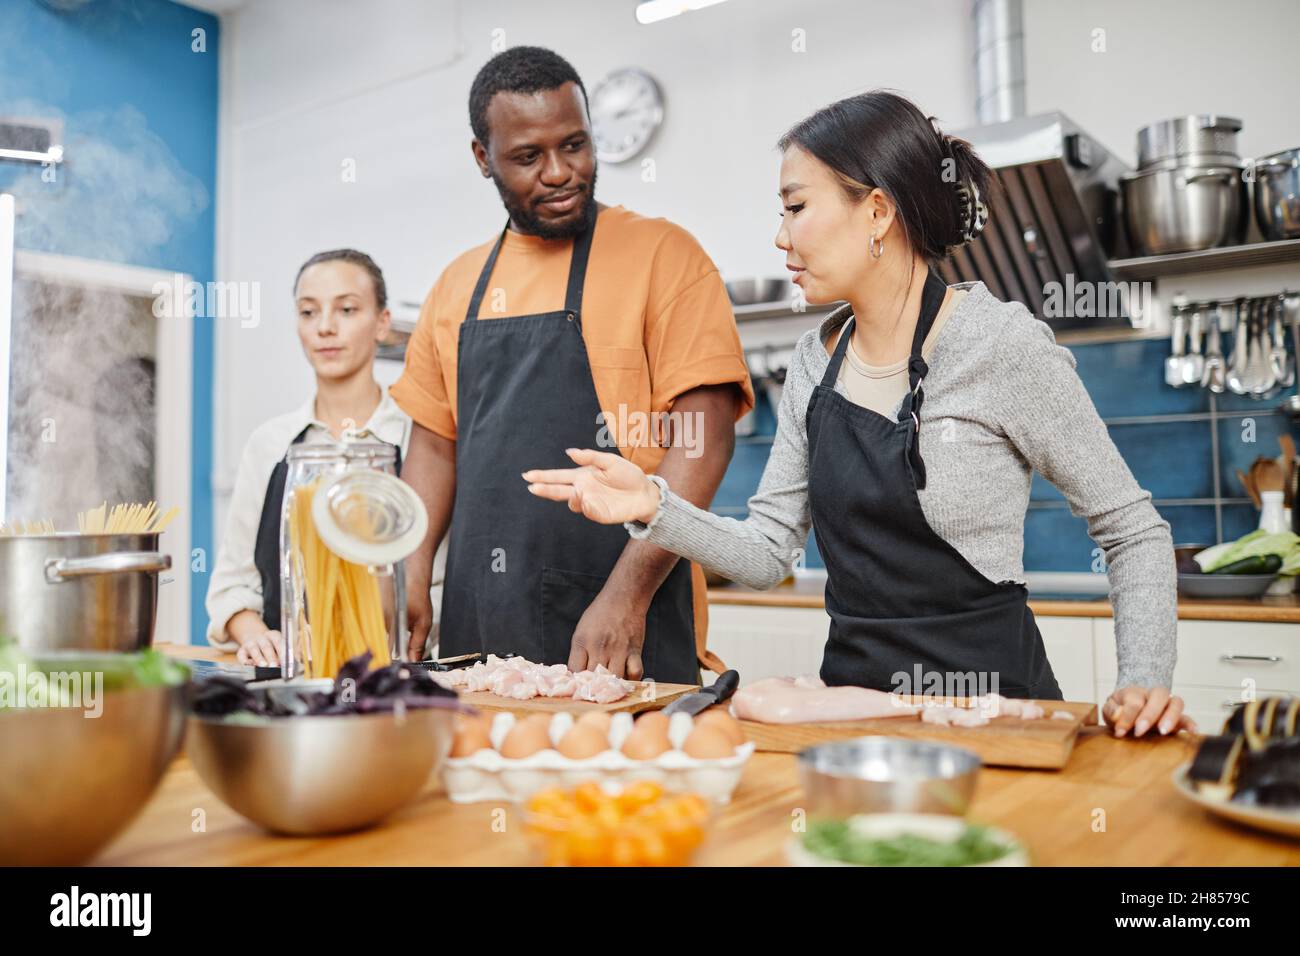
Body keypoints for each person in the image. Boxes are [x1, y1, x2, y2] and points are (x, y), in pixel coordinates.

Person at [523, 90, 1193, 739]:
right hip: (852, 721)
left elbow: (1131, 529)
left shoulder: (1000, 345)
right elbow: (768, 553)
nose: (780, 236)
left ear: (876, 212)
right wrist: (653, 503)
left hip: (996, 722)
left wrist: (1144, 680)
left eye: (796, 207)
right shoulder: (814, 361)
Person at [392, 47, 753, 684]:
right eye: (528, 157)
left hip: (626, 619)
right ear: (483, 158)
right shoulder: (456, 285)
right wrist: (412, 570)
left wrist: (626, 596)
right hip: (479, 619)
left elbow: (705, 437)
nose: (560, 172)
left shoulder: (664, 254)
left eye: (575, 145)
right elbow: (434, 446)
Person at [206, 249, 413, 667]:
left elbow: (439, 588)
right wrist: (257, 637)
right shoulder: (269, 444)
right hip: (289, 678)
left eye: (347, 309)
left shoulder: (417, 440)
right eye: (308, 312)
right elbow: (232, 585)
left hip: (393, 677)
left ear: (382, 322)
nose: (325, 327)